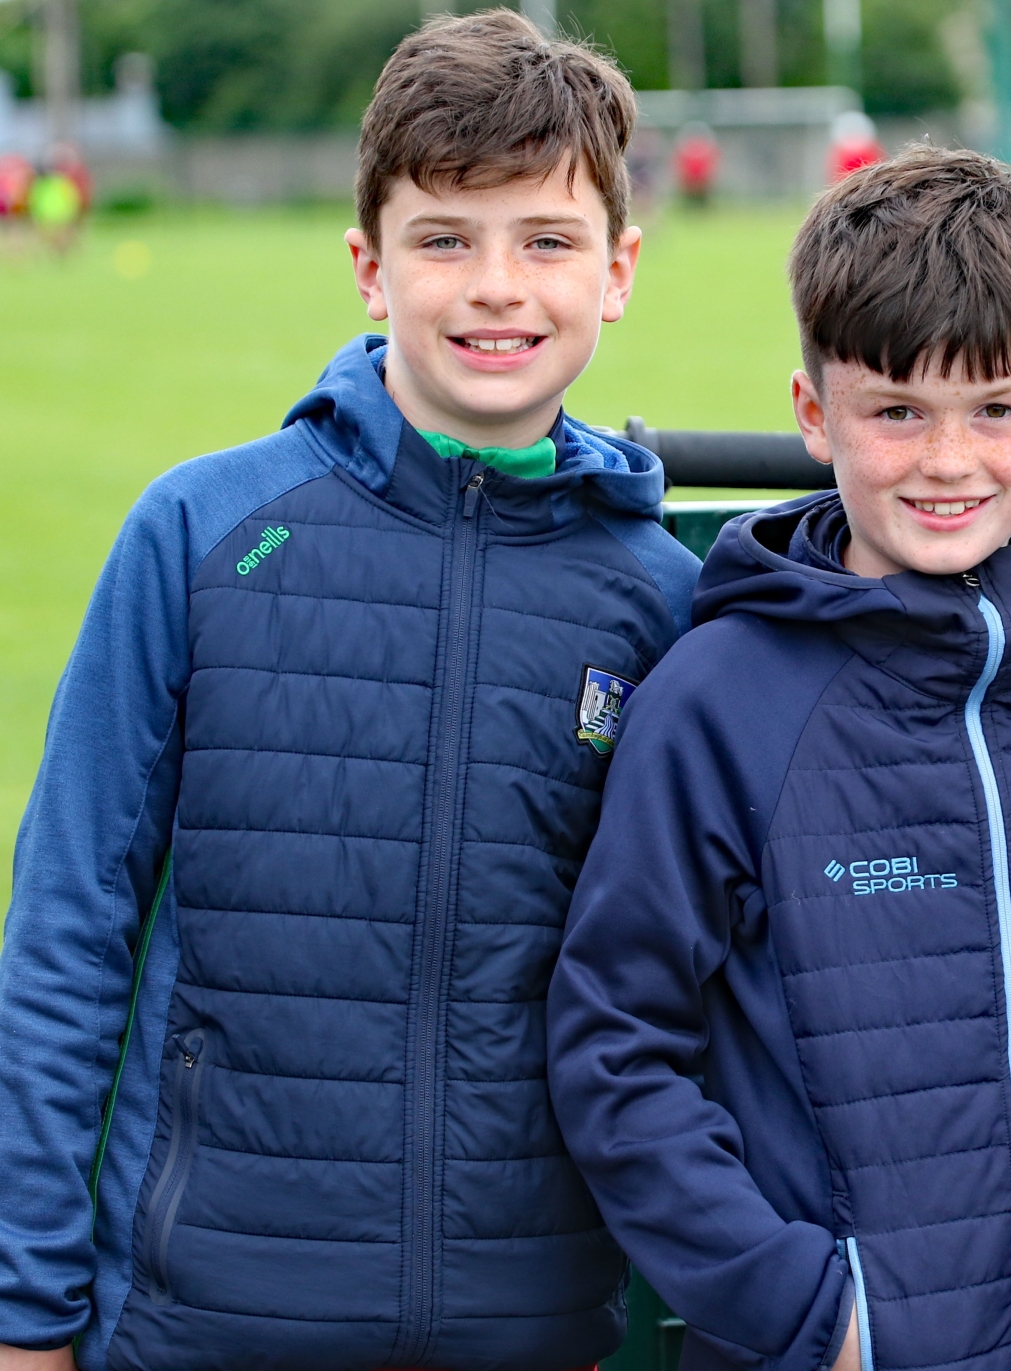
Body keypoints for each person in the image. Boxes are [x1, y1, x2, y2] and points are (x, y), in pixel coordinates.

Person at [0, 12, 699, 1371]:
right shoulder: (201, 535)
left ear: (617, 271)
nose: (496, 286)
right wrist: (24, 1309)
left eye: (546, 242)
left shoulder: (659, 600)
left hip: (527, 1327)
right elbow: (68, 924)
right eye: (445, 239)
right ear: (370, 267)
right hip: (202, 1319)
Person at [546, 146, 1011, 1371]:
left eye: (997, 410)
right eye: (897, 412)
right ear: (814, 415)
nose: (948, 461)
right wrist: (806, 1312)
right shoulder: (717, 701)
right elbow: (615, 1045)